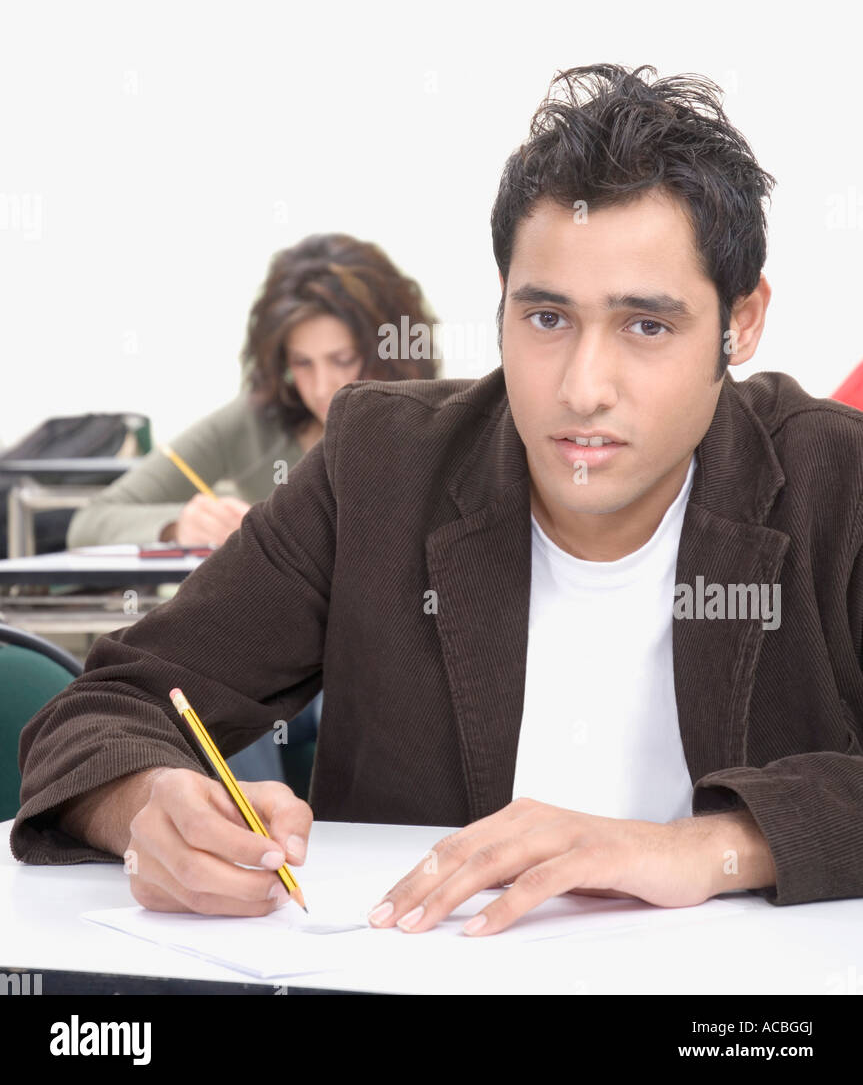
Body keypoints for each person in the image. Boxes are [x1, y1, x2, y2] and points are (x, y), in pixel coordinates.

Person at [13, 65, 863, 938]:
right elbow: (104, 712)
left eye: (647, 326)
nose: (582, 387)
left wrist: (713, 846)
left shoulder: (835, 476)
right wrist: (147, 806)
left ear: (742, 321)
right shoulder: (381, 465)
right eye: (545, 319)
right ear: (500, 308)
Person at [67, 233, 440, 548]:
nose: (323, 387)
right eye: (302, 363)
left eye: (342, 359)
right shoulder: (255, 422)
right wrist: (179, 525)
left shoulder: (433, 425)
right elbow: (89, 524)